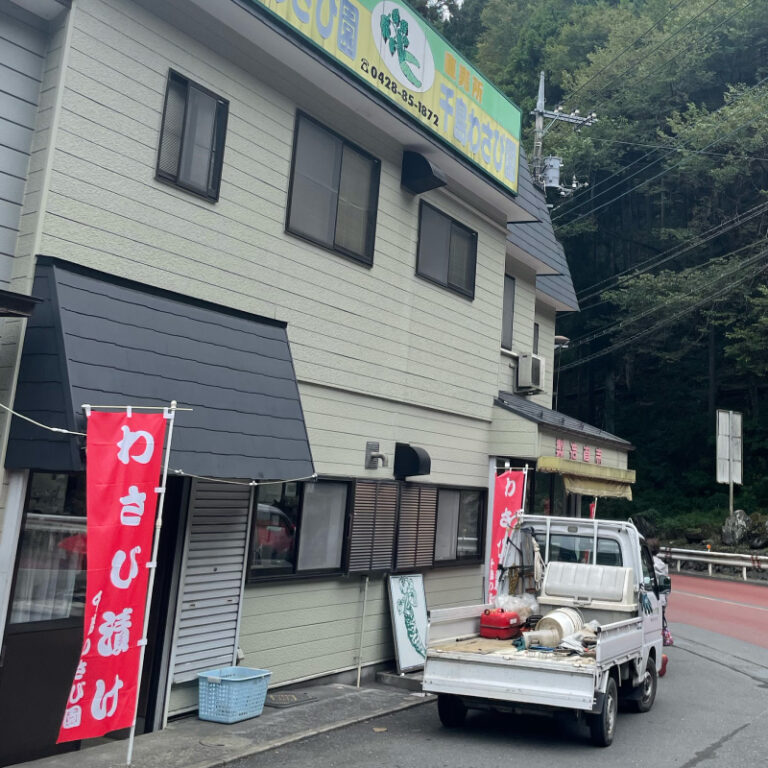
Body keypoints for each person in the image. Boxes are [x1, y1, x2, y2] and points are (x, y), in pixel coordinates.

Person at [649, 539, 673, 646]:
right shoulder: (662, 565)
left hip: (648, 598)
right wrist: (664, 600)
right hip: (660, 599)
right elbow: (666, 587)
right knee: (659, 622)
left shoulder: (644, 562)